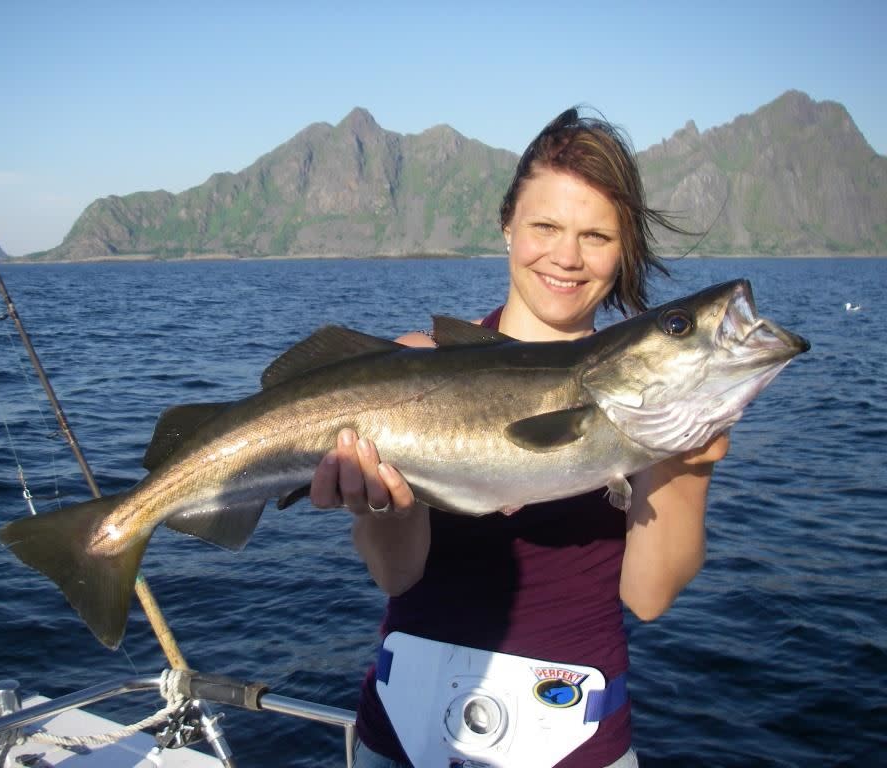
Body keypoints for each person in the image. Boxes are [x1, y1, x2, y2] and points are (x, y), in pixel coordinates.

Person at [310, 107, 729, 768]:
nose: (567, 256)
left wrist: (690, 463)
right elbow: (396, 574)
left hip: (576, 742)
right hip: (400, 732)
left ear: (623, 251)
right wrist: (384, 502)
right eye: (545, 227)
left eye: (596, 236)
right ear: (508, 224)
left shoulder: (644, 394)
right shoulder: (408, 369)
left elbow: (649, 598)